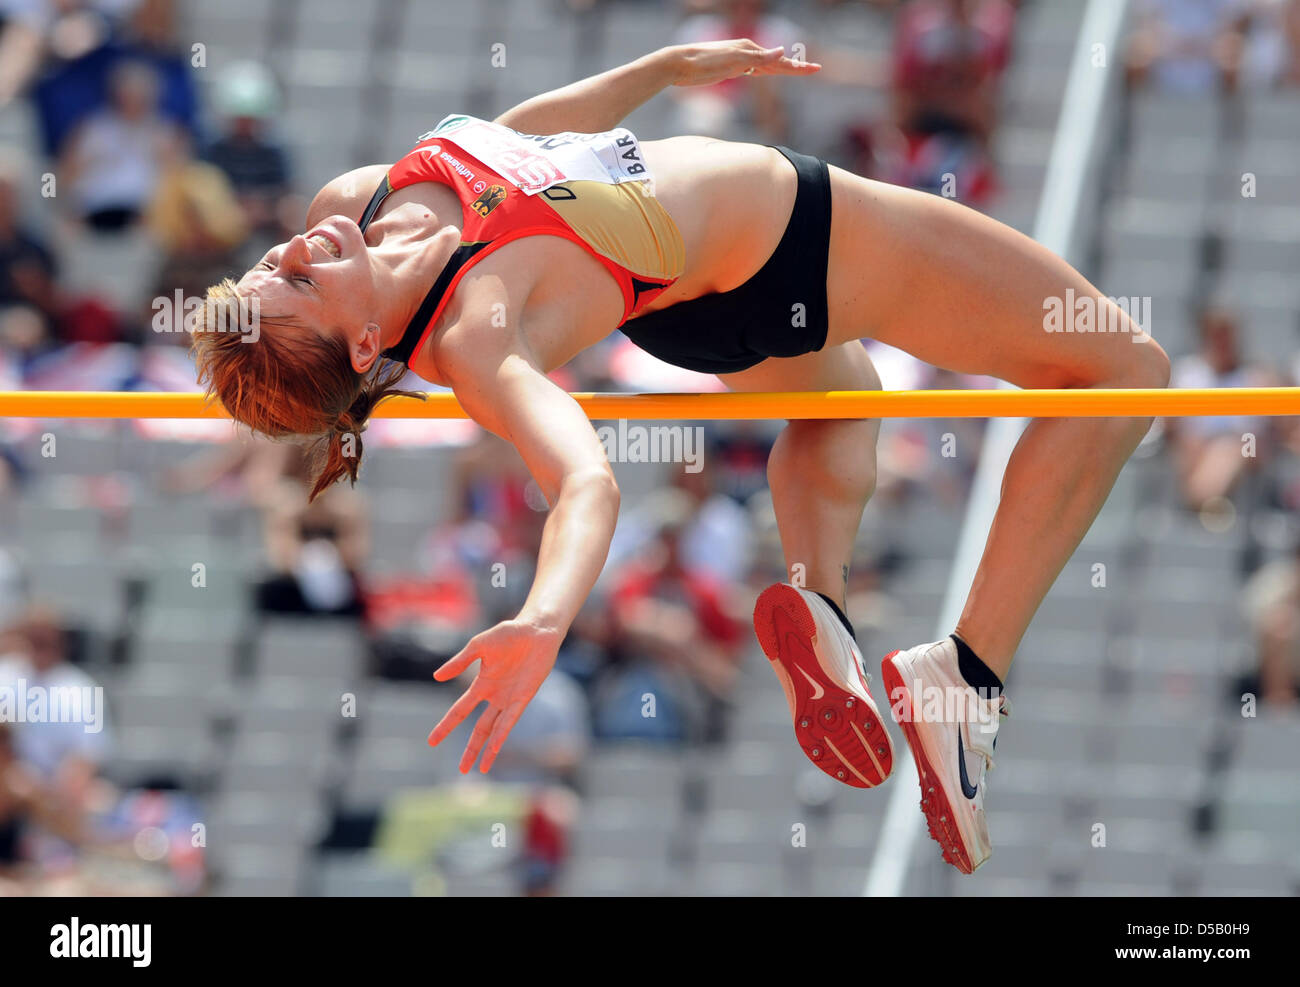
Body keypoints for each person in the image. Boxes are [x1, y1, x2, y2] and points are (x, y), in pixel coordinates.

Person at [189, 39, 1171, 874]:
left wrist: (661, 68)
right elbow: (582, 480)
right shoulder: (476, 337)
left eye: (275, 265)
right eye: (301, 283)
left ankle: (817, 601)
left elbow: (514, 139)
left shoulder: (354, 201)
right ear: (364, 350)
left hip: (695, 307)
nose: (297, 250)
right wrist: (540, 619)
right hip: (791, 238)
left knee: (843, 402)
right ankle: (968, 676)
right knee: (1124, 367)